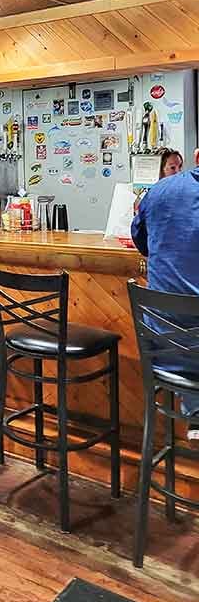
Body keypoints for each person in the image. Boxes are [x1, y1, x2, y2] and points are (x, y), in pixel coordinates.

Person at [131, 147, 199, 436]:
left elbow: (141, 240)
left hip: (162, 348)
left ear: (196, 157)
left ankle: (195, 409)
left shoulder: (158, 192)